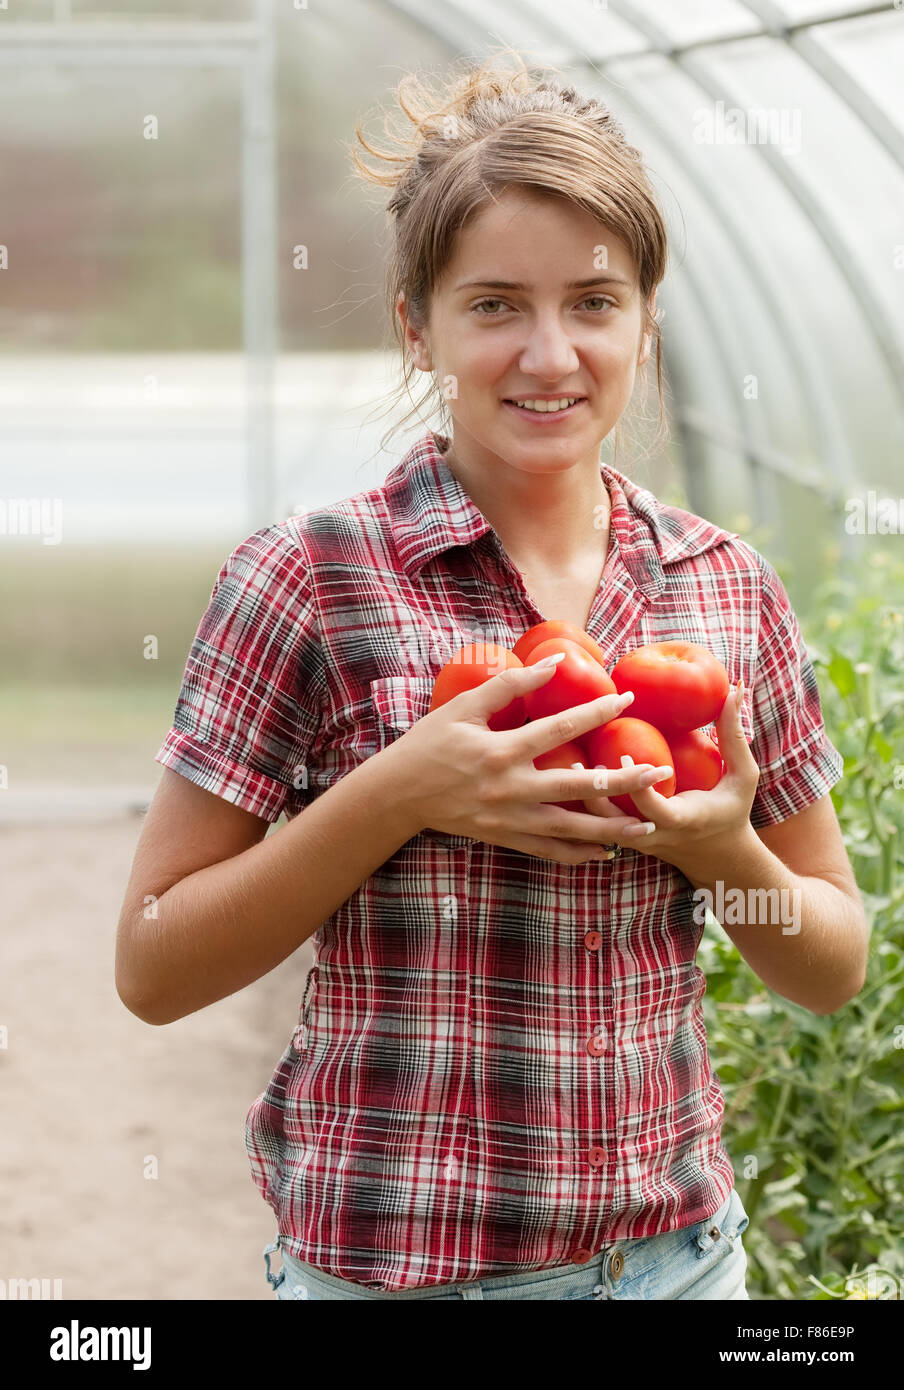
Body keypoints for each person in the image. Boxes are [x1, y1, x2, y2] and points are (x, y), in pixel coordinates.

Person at [114, 52, 867, 1301]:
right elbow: (152, 967)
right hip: (394, 1275)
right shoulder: (308, 577)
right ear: (418, 324)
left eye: (593, 300)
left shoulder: (723, 589)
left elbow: (828, 960)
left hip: (674, 1267)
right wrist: (398, 791)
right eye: (494, 304)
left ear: (646, 318)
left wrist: (723, 849)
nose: (550, 352)